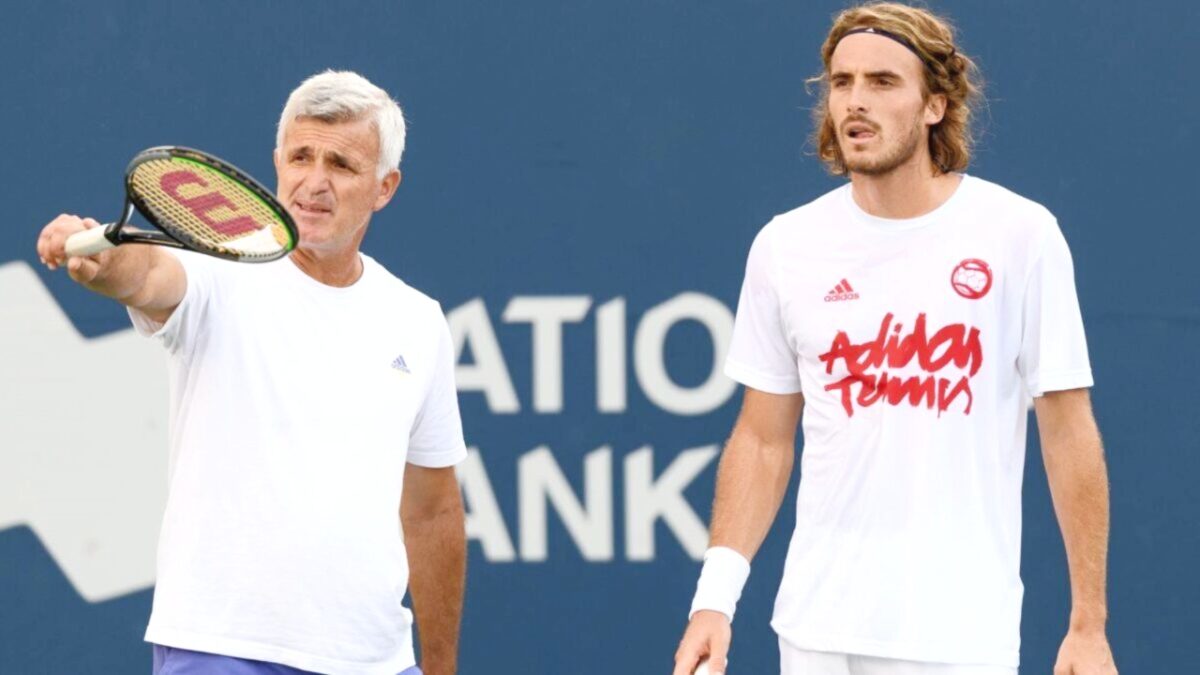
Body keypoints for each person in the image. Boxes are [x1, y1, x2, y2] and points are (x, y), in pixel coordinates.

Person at [672, 4, 1117, 675]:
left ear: (935, 104)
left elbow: (1067, 432)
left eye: (882, 82)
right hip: (814, 630)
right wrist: (714, 601)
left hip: (957, 638)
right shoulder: (786, 246)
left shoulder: (1019, 237)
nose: (855, 101)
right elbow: (762, 439)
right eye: (841, 82)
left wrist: (1088, 622)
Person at [35, 70, 466, 675]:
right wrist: (103, 264)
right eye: (300, 157)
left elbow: (431, 509)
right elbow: (145, 275)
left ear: (384, 186)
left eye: (341, 164)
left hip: (376, 661)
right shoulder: (216, 268)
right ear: (277, 162)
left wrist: (440, 668)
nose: (313, 182)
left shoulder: (418, 321)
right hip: (223, 650)